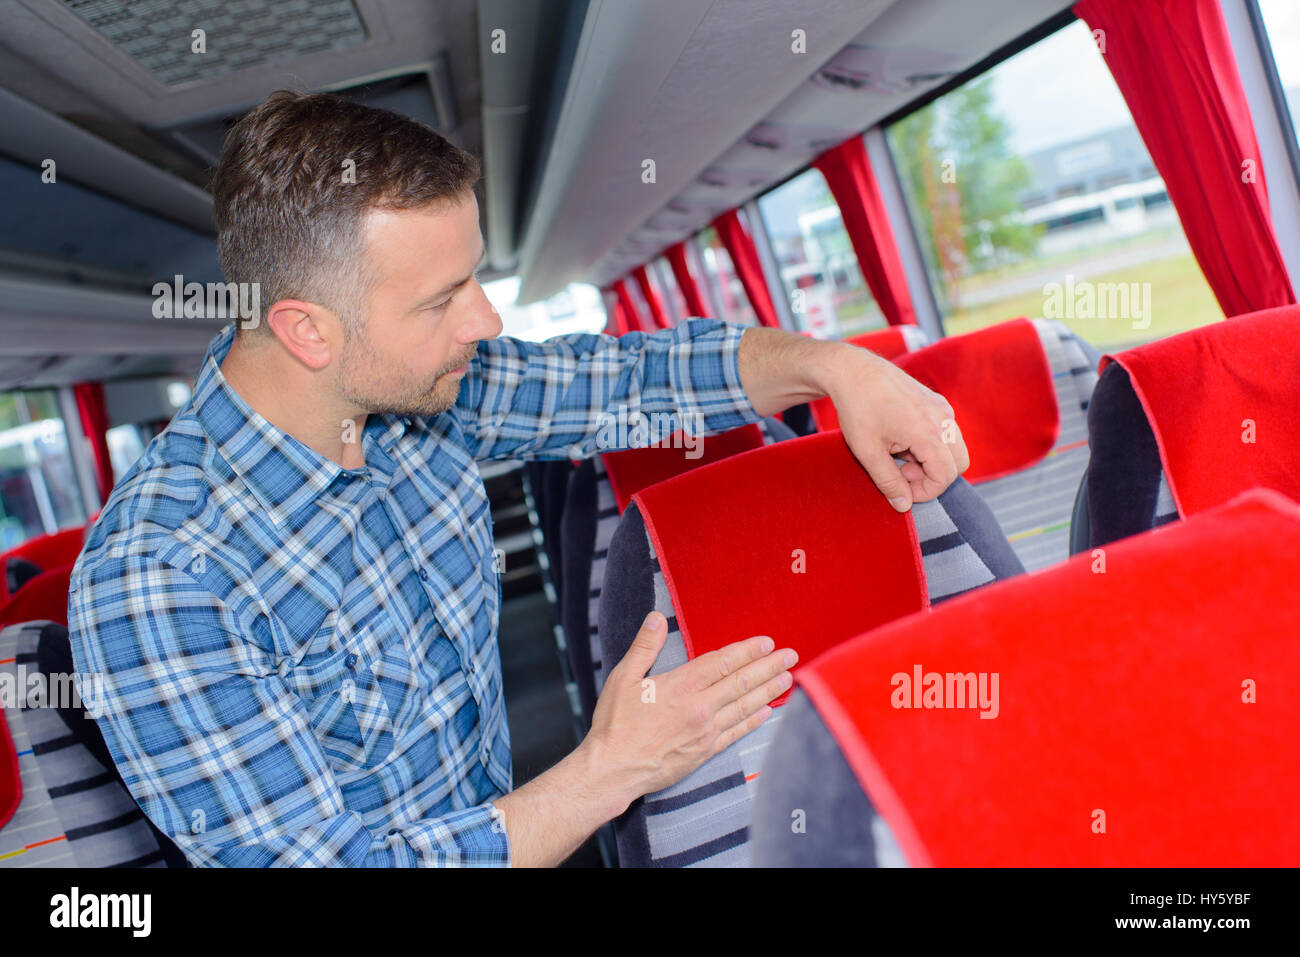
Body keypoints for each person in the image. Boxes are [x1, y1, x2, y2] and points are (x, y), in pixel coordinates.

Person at [67, 90, 967, 867]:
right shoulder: (159, 579)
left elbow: (628, 382)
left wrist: (835, 368)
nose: (487, 318)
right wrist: (612, 768)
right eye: (442, 297)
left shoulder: (420, 391)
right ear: (308, 331)